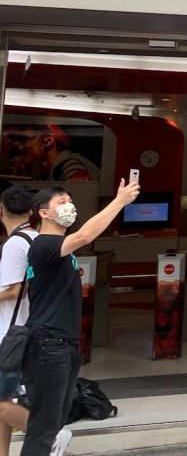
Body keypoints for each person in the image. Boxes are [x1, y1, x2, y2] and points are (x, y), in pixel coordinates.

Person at [22, 179, 139, 456]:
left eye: (70, 201)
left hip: (63, 344)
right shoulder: (43, 245)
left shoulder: (60, 247)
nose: (69, 206)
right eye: (61, 202)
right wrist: (120, 201)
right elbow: (85, 236)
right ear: (43, 213)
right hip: (47, 345)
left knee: (57, 418)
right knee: (44, 424)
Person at [0, 186, 48, 456]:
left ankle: (49, 435)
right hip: (32, 328)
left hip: (13, 334)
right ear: (31, 211)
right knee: (5, 398)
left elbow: (15, 289)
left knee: (0, 401)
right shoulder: (36, 237)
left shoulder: (14, 245)